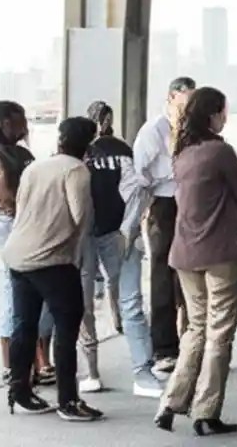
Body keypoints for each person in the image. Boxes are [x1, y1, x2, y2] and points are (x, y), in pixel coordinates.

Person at [154, 87, 237, 436]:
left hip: (184, 253)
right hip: (221, 252)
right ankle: (206, 411)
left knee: (195, 329)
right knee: (219, 332)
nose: (226, 117)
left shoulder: (181, 152)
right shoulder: (220, 151)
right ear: (212, 115)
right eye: (224, 111)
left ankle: (170, 402)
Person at [1, 117, 103, 421]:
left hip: (18, 256)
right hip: (52, 260)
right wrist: (77, 259)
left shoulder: (35, 167)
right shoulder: (76, 170)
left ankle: (19, 392)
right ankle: (68, 401)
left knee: (25, 325)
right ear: (89, 144)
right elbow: (80, 219)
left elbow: (21, 208)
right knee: (67, 326)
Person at [76, 101, 163, 398]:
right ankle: (138, 372)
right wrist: (128, 230)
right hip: (109, 233)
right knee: (128, 303)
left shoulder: (82, 152)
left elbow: (136, 191)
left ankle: (99, 372)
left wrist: (126, 231)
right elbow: (136, 192)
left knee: (97, 305)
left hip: (98, 234)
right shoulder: (118, 149)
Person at [0, 100, 55, 386]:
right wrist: (24, 213)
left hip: (25, 225)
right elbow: (4, 196)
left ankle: (33, 359)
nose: (25, 125)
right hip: (13, 228)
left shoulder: (19, 152)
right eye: (19, 119)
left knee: (31, 293)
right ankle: (12, 362)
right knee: (14, 291)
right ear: (4, 123)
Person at [132, 76, 196, 375]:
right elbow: (140, 170)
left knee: (193, 269)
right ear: (172, 97)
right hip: (164, 202)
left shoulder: (194, 127)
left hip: (190, 201)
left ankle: (192, 339)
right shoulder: (154, 130)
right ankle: (164, 348)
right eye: (187, 99)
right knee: (162, 273)